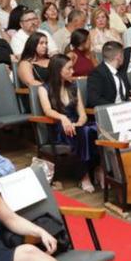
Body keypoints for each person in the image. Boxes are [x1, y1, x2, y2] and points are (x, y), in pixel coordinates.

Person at [36, 55, 98, 192]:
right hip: (59, 128)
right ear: (58, 70)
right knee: (85, 133)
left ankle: (99, 169)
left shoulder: (73, 87)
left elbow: (82, 114)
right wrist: (63, 118)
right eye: (69, 68)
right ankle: (85, 176)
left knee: (94, 129)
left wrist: (79, 123)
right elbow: (47, 110)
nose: (73, 71)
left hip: (76, 126)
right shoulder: (44, 89)